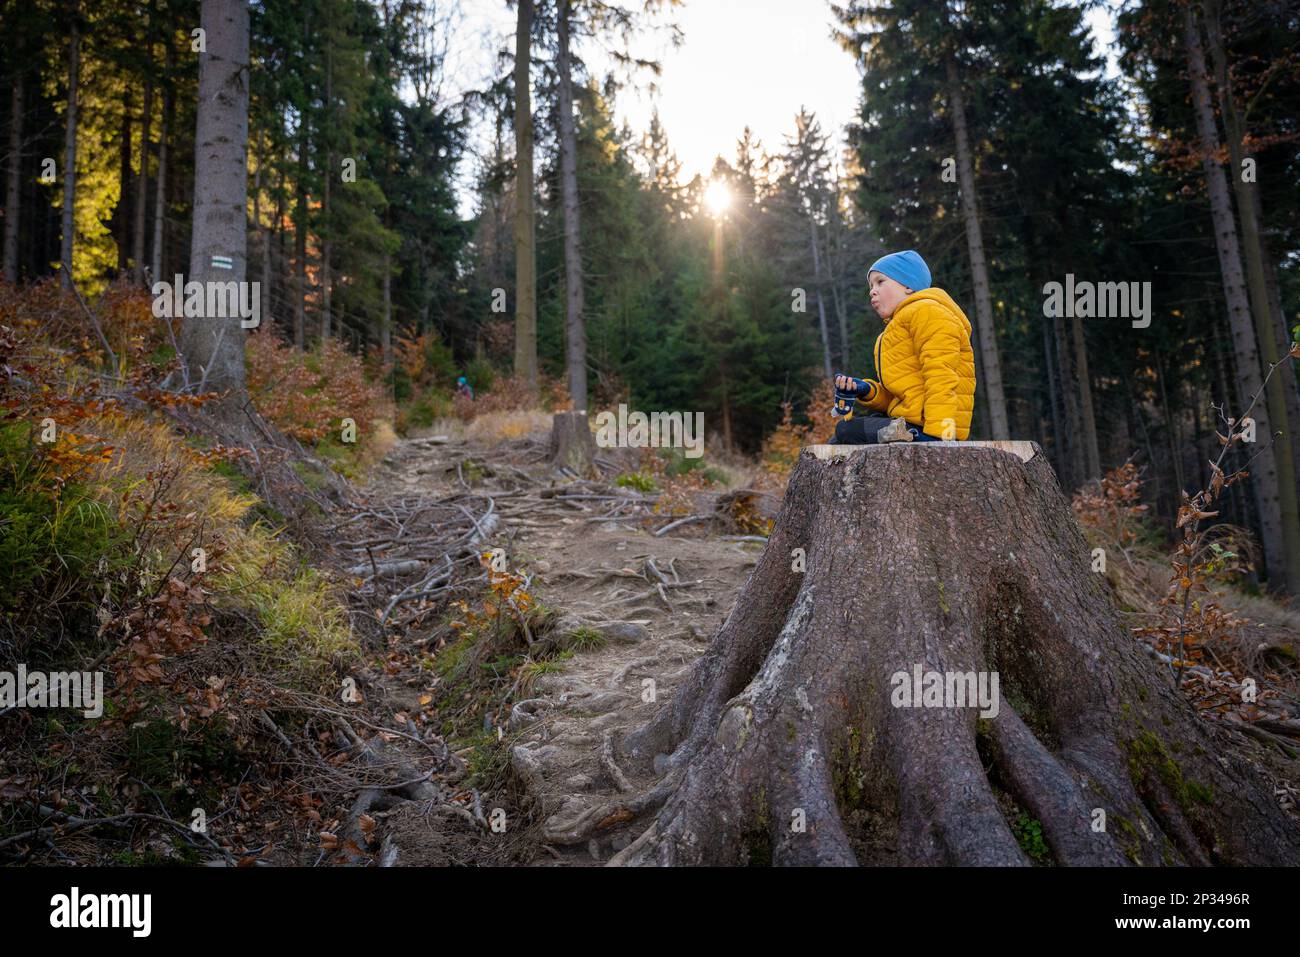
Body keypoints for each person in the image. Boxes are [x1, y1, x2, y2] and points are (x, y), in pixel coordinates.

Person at [828, 249, 976, 444]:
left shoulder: (928, 312)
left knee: (847, 431)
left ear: (908, 285)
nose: (872, 290)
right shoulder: (895, 328)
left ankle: (918, 439)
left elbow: (942, 375)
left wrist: (940, 436)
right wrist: (866, 390)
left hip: (931, 428)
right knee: (839, 438)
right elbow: (900, 396)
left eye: (880, 282)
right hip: (909, 423)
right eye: (871, 285)